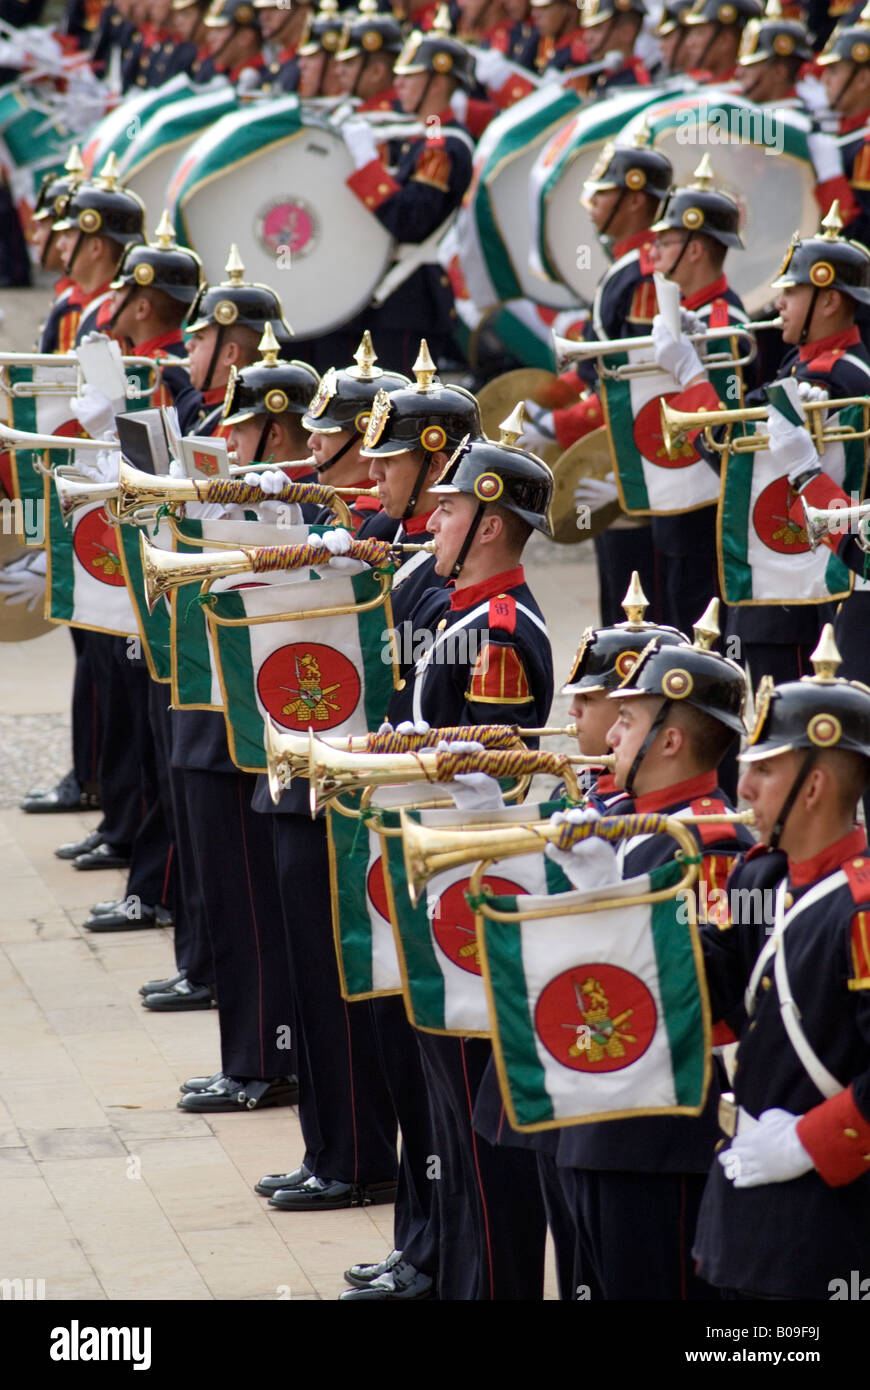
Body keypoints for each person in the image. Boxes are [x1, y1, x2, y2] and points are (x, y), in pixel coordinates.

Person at [359, 429, 555, 1301]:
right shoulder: (459, 611)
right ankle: (451, 1275)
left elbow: (492, 779)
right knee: (445, 1107)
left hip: (469, 889)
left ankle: (490, 1286)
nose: (433, 515)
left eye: (450, 503)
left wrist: (419, 751)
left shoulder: (499, 630)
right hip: (434, 880)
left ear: (487, 525)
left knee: (481, 1124)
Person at [551, 606, 754, 1299]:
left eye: (629, 722)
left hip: (660, 1137)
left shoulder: (714, 844)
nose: (609, 733)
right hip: (599, 1114)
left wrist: (609, 904)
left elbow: (709, 987)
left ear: (670, 739)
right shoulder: (635, 829)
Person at [694, 625, 870, 1299]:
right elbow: (708, 989)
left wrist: (808, 1143)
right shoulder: (760, 879)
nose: (745, 785)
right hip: (745, 1203)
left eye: (765, 768)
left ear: (816, 783)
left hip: (828, 1220)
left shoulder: (860, 909)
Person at [522, 132, 674, 626]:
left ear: (635, 198)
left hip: (635, 461)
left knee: (640, 611)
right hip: (614, 456)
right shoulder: (628, 268)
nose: (592, 204)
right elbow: (598, 373)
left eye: (603, 193)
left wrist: (557, 426)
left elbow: (641, 383)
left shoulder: (647, 274)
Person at [647, 155, 751, 636]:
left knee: (701, 642)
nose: (655, 253)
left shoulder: (725, 321)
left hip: (705, 507)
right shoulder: (690, 314)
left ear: (695, 248)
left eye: (665, 242)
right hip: (679, 497)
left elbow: (727, 425)